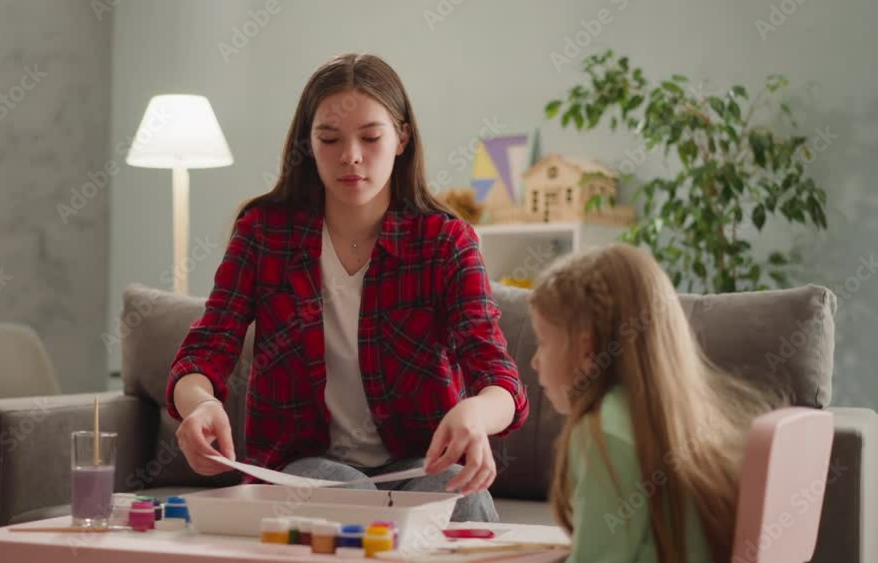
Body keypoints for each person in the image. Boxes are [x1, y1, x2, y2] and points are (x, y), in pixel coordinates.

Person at [165, 53, 529, 522]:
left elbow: (499, 376)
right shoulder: (263, 233)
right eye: (330, 139)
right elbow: (204, 351)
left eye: (371, 138)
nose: (351, 156)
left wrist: (475, 413)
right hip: (304, 467)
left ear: (402, 138)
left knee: (459, 496)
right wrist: (200, 405)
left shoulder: (445, 242)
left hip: (419, 461)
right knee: (345, 494)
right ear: (308, 143)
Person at [527, 243, 785, 563]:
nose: (534, 362)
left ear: (586, 349)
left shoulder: (603, 434)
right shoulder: (678, 417)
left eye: (542, 342)